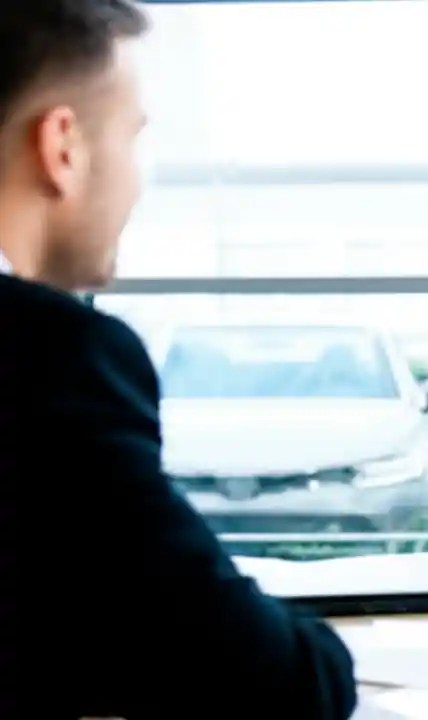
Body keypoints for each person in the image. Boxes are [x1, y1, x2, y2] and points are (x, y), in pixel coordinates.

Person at [0, 2, 357, 718]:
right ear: (62, 147)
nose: (136, 181)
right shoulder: (49, 359)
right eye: (132, 139)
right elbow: (269, 679)